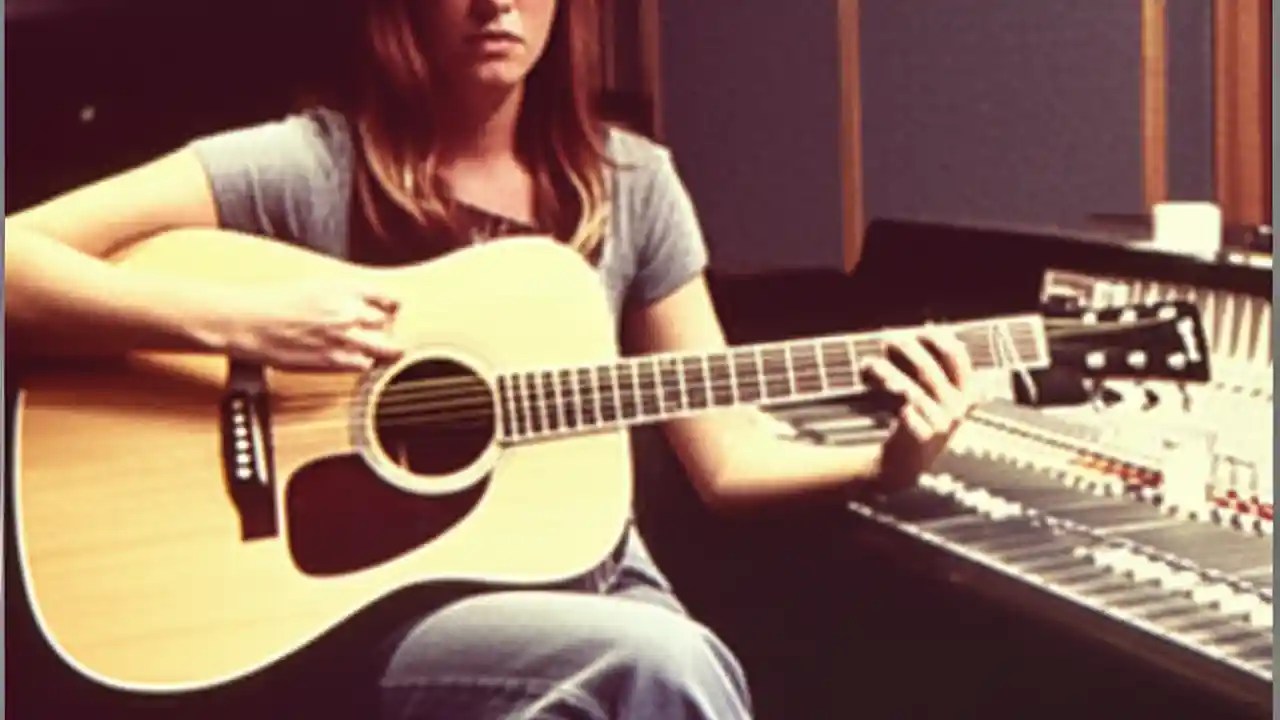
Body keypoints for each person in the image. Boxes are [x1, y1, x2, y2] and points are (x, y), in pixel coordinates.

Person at [6, 0, 976, 718]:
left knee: (671, 658)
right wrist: (236, 323)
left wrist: (883, 466)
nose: (495, 2)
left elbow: (722, 460)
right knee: (661, 670)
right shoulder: (303, 166)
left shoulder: (632, 185)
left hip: (589, 578)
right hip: (375, 608)